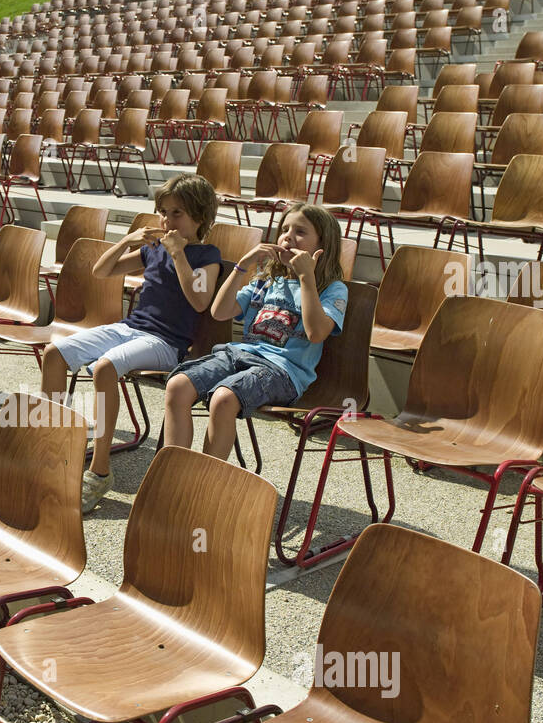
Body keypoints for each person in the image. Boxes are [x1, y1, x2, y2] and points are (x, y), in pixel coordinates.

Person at [40, 175, 221, 512]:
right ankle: (58, 451)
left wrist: (179, 255)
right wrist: (127, 241)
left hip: (167, 343)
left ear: (200, 216)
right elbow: (101, 271)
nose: (166, 221)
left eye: (177, 213)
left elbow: (199, 301)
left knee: (105, 367)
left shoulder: (206, 255)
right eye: (163, 212)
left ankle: (100, 470)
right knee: (54, 355)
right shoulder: (153, 249)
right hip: (129, 328)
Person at [163, 203, 348, 461]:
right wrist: (242, 266)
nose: (288, 237)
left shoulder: (333, 289)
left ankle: (204, 483)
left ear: (322, 244)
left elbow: (316, 333)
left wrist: (306, 277)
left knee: (223, 398)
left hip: (283, 370)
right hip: (238, 355)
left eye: (300, 231)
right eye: (284, 229)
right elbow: (220, 311)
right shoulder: (267, 279)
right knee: (178, 386)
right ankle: (173, 471)